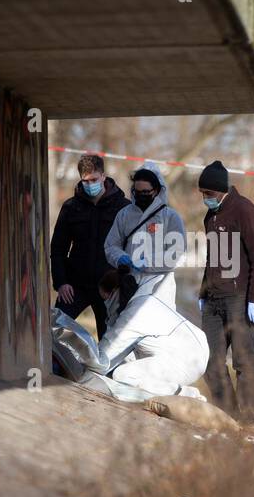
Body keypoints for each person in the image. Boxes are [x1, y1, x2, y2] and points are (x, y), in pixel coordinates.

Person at [196, 159, 254, 426]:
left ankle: (250, 417)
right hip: (214, 300)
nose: (206, 199)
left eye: (209, 194)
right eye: (203, 194)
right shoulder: (211, 216)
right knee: (210, 362)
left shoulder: (245, 211)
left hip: (240, 299)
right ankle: (228, 416)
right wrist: (203, 291)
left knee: (242, 358)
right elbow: (212, 257)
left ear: (222, 190)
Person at [85, 268, 208, 398]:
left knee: (123, 375)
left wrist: (83, 364)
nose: (105, 304)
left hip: (188, 358)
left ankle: (185, 394)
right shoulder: (141, 301)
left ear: (115, 292)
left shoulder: (135, 313)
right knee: (126, 364)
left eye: (106, 299)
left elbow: (108, 350)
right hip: (189, 349)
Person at [50, 154, 129, 338]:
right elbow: (58, 248)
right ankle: (60, 368)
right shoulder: (71, 207)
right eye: (85, 181)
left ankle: (106, 369)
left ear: (103, 176)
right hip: (75, 285)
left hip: (109, 287)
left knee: (110, 341)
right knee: (54, 328)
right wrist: (61, 282)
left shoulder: (123, 208)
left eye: (94, 179)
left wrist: (122, 284)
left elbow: (131, 249)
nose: (90, 184)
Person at [103, 162, 186, 304]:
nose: (141, 195)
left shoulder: (170, 217)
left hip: (159, 288)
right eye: (138, 192)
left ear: (156, 190)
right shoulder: (124, 215)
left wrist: (147, 262)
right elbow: (111, 245)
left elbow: (178, 254)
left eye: (146, 192)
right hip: (129, 285)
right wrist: (120, 257)